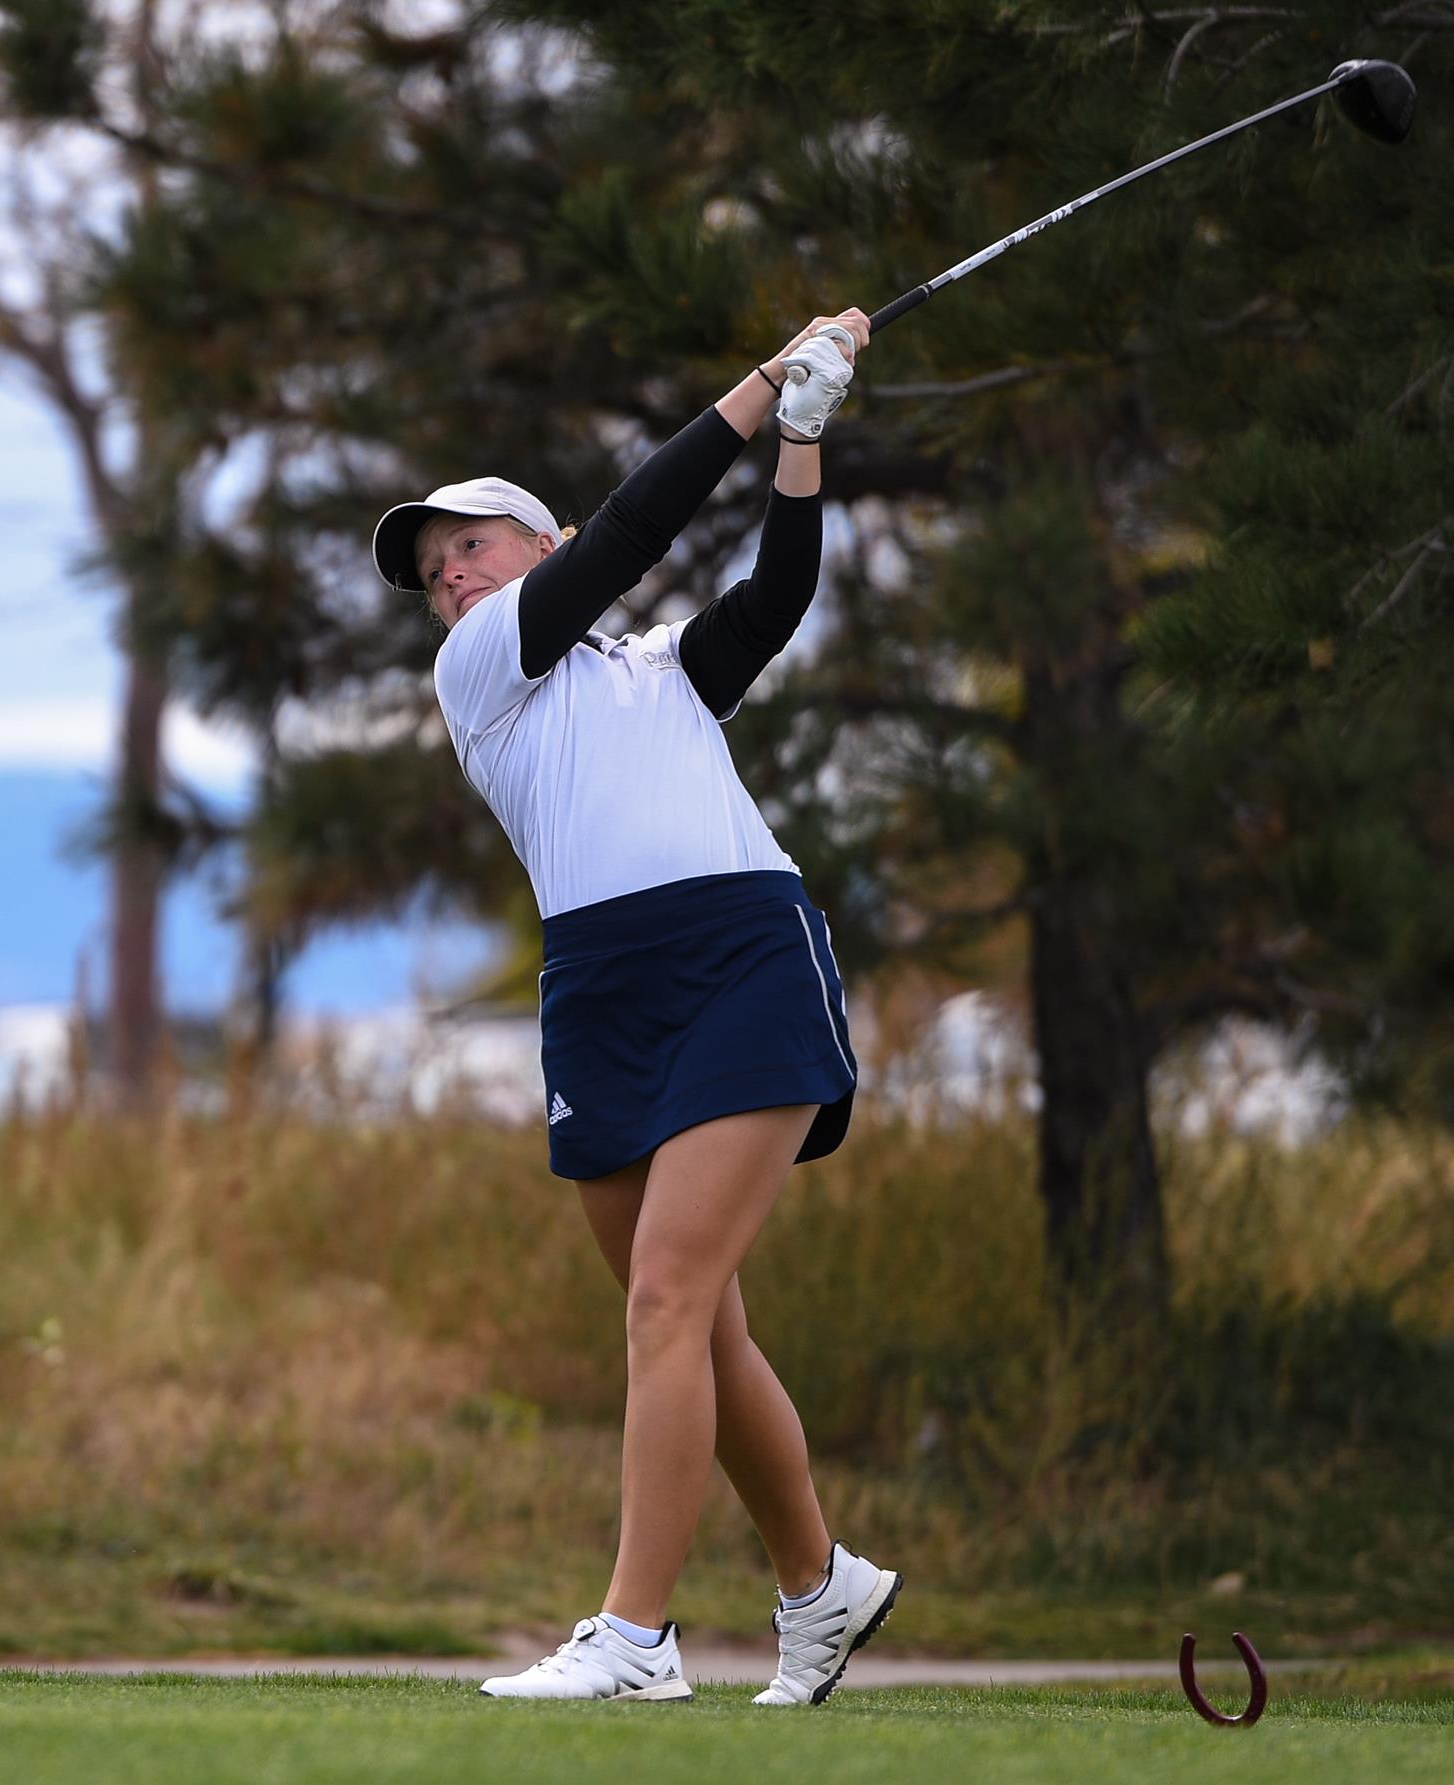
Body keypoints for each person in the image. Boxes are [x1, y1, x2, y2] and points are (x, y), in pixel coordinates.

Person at [369, 309, 897, 1707]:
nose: (452, 579)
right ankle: (821, 1585)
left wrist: (799, 434)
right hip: (598, 989)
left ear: (532, 550)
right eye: (432, 572)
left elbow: (772, 602)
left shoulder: (659, 671)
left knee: (668, 1297)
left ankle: (638, 1637)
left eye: (472, 546)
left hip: (738, 954)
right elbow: (623, 539)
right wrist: (755, 385)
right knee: (701, 1322)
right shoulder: (478, 674)